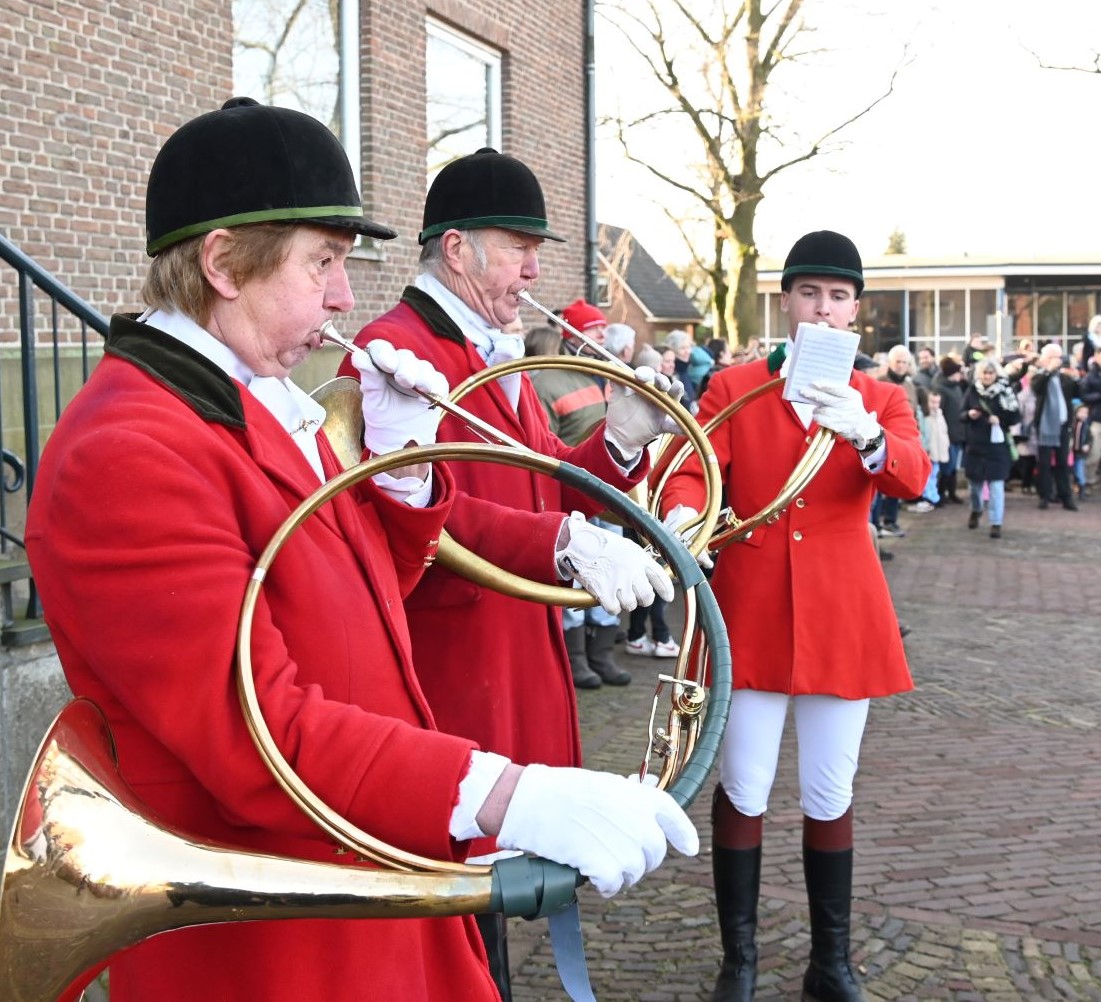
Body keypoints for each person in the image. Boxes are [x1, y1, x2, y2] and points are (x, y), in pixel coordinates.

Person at [24, 99, 699, 1002]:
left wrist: (410, 482)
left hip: (361, 874)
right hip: (283, 942)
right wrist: (504, 795)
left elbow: (364, 606)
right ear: (224, 262)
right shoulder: (131, 448)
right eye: (324, 262)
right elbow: (263, 731)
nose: (346, 296)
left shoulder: (248, 401)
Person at [336, 147, 684, 994]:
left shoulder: (490, 349)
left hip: (513, 651)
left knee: (492, 899)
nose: (534, 267)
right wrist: (561, 542)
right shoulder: (395, 350)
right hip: (452, 661)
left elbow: (546, 476)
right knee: (459, 898)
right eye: (518, 244)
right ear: (457, 250)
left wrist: (624, 441)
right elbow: (422, 512)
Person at [660, 230, 929, 1002]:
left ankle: (830, 963)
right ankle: (738, 961)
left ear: (855, 312)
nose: (823, 306)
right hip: (750, 610)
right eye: (808, 293)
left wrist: (867, 434)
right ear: (786, 302)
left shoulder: (880, 396)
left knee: (829, 789)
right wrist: (685, 521)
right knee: (744, 785)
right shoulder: (735, 386)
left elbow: (914, 479)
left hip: (842, 614)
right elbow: (691, 471)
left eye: (837, 296)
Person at [529, 299, 632, 690]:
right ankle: (576, 657)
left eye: (603, 329)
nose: (602, 336)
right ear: (571, 334)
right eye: (593, 330)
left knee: (612, 573)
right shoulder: (548, 378)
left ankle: (602, 652)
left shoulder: (603, 374)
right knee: (577, 574)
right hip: (573, 492)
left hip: (606, 492)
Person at [962, 358, 1021, 538]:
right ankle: (977, 509)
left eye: (990, 373)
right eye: (984, 373)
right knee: (975, 487)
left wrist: (1000, 420)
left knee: (996, 487)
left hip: (997, 447)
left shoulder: (1005, 392)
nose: (987, 376)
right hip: (976, 445)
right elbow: (961, 413)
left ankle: (996, 522)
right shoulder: (972, 391)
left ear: (996, 374)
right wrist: (969, 414)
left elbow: (1015, 416)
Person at [1030, 343, 1079, 511]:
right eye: (1052, 357)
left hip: (1063, 425)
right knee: (1043, 463)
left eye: (1058, 357)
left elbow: (1079, 392)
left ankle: (1065, 496)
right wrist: (1048, 370)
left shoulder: (1064, 377)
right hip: (1045, 425)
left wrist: (1076, 376)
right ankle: (1044, 496)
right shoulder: (1039, 375)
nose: (1056, 361)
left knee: (1063, 462)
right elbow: (1036, 387)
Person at [932, 355, 968, 504]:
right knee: (947, 465)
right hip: (948, 434)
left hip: (958, 432)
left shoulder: (956, 387)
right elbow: (940, 413)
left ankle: (951, 492)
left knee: (953, 467)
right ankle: (941, 493)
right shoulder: (941, 388)